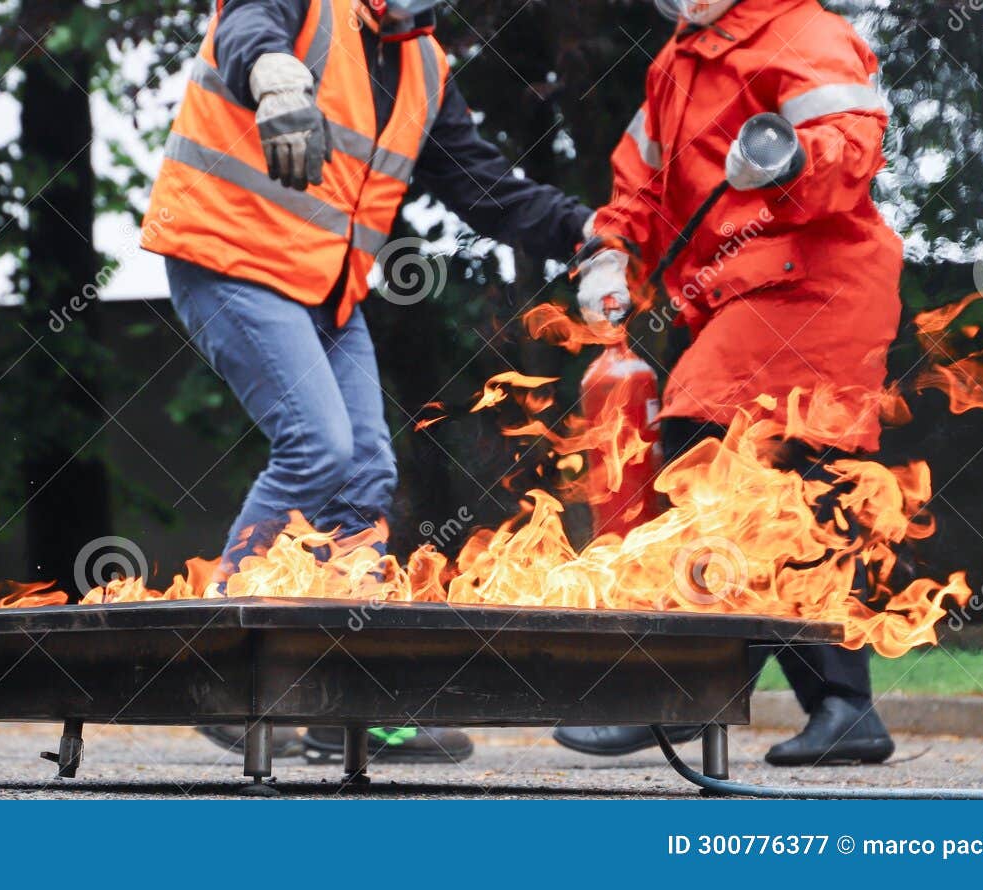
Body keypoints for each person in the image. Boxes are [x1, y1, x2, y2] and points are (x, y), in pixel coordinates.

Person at [142, 0, 592, 763]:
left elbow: (484, 188)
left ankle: (351, 700)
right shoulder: (309, 9)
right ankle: (217, 668)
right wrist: (274, 72)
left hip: (325, 286)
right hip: (229, 256)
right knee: (317, 445)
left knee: (366, 471)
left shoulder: (425, 68)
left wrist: (582, 229)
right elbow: (247, 24)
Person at [553, 0, 900, 766]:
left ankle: (687, 686)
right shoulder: (678, 60)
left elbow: (854, 144)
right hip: (752, 290)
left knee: (709, 446)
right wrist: (611, 250)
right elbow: (643, 182)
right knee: (791, 491)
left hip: (814, 283)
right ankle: (841, 706)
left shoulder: (805, 33)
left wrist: (793, 160)